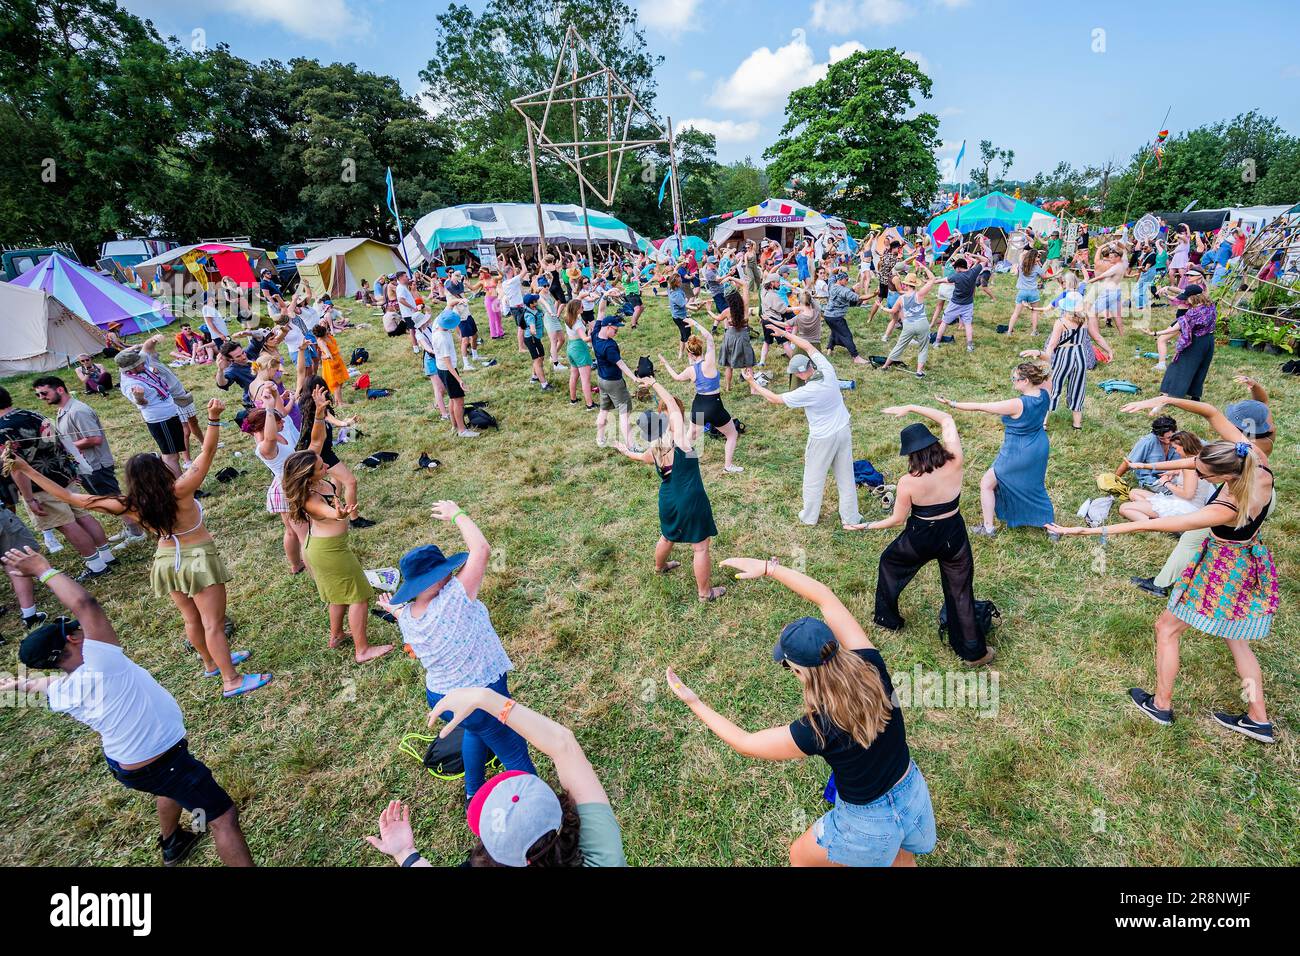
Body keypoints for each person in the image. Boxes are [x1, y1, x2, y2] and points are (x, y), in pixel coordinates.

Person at [667, 557, 936, 867]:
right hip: (912, 794)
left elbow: (746, 743)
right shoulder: (873, 666)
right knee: (902, 857)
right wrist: (769, 569)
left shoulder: (818, 729)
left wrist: (694, 702)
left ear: (799, 671)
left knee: (800, 856)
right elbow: (825, 597)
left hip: (867, 824)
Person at [0, 547, 255, 864]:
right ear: (75, 639)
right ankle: (202, 823)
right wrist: (42, 569)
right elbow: (86, 604)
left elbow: (44, 684)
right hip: (161, 760)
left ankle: (174, 841)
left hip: (129, 765)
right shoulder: (103, 663)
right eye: (76, 629)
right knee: (224, 818)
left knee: (172, 788)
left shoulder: (66, 689)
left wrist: (17, 684)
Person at [9, 399, 271, 697]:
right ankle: (231, 679)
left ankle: (211, 664)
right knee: (213, 623)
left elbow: (74, 499)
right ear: (161, 471)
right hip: (197, 559)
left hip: (165, 561)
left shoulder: (128, 504)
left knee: (191, 619)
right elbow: (207, 452)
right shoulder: (182, 489)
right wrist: (212, 419)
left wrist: (27, 470)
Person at [1048, 429, 1278, 745]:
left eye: (1203, 474)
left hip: (1221, 572)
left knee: (1167, 629)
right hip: (1248, 561)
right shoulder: (1257, 465)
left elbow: (1148, 523)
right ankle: (1258, 720)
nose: (1198, 474)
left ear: (1225, 474)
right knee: (1238, 641)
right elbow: (1209, 417)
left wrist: (1083, 531)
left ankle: (1161, 705)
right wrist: (1161, 410)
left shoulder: (1224, 508)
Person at [375, 502, 537, 799]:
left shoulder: (408, 614)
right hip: (481, 691)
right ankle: (538, 814)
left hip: (442, 696)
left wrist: (392, 607)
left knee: (475, 731)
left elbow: (400, 614)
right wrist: (458, 515)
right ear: (437, 578)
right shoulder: (453, 597)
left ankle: (472, 795)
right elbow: (482, 549)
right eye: (446, 572)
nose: (452, 575)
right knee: (514, 751)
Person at [367, 689, 626, 867]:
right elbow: (563, 745)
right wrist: (486, 698)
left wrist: (405, 853)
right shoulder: (604, 857)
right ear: (562, 811)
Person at [847, 406, 992, 665]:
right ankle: (974, 653)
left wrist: (865, 526)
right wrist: (912, 407)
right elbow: (947, 418)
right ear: (934, 445)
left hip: (920, 536)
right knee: (960, 592)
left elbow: (897, 520)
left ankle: (887, 620)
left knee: (890, 564)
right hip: (954, 535)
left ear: (911, 454)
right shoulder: (955, 460)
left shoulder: (908, 482)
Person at [1129, 388, 1274, 601]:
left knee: (1193, 538)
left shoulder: (1239, 463)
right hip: (1267, 496)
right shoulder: (1254, 448)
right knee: (1240, 536)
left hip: (1241, 500)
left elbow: (1211, 413)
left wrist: (1167, 399)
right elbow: (1211, 414)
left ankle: (1161, 584)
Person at [281, 413, 394, 664]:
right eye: (321, 467)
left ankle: (336, 636)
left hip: (322, 548)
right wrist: (339, 512)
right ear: (308, 475)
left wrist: (319, 415)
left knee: (336, 595)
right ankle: (362, 650)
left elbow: (317, 440)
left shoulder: (312, 468)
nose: (326, 467)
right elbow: (326, 512)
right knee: (359, 595)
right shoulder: (310, 497)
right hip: (329, 552)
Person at [613, 382, 726, 602]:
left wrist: (624, 449)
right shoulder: (682, 442)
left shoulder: (653, 448)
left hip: (667, 500)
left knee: (667, 536)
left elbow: (636, 456)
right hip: (690, 499)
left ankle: (660, 566)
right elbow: (673, 408)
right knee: (700, 547)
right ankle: (705, 593)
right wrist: (654, 383)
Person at [746, 332, 862, 529]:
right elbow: (808, 346)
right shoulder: (827, 368)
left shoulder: (808, 392)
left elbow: (775, 399)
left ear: (799, 373)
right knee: (846, 477)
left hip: (822, 438)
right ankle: (850, 518)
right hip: (843, 429)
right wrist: (784, 333)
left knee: (813, 479)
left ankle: (809, 517)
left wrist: (752, 382)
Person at [0, 387, 114, 582]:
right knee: (83, 516)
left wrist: (28, 497)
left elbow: (16, 468)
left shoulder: (2, 430)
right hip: (63, 475)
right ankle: (107, 556)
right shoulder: (31, 413)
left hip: (40, 484)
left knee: (65, 524)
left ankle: (96, 565)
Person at [940, 362, 1054, 536]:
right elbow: (1048, 367)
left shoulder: (1017, 404)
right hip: (1039, 446)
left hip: (1018, 451)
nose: (1013, 381)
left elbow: (982, 406)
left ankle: (988, 528)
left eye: (1015, 379)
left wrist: (952, 403)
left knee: (986, 484)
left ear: (1026, 381)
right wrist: (1040, 355)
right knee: (1035, 486)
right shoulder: (1045, 393)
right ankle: (1052, 528)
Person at [32, 376, 145, 545]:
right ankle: (130, 528)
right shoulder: (64, 410)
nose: (42, 397)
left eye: (44, 393)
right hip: (85, 465)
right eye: (38, 395)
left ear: (60, 389)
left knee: (113, 499)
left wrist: (63, 447)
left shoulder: (78, 411)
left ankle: (137, 533)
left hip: (96, 464)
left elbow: (94, 438)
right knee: (106, 499)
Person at [658, 319, 743, 474]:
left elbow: (676, 377)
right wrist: (695, 324)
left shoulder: (691, 370)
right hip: (714, 405)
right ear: (701, 350)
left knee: (690, 437)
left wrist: (665, 364)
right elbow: (710, 338)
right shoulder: (709, 363)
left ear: (689, 353)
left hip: (698, 404)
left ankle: (676, 464)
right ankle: (728, 466)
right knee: (732, 434)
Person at [245, 403, 307, 573]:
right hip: (286, 489)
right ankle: (304, 565)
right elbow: (269, 437)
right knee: (300, 532)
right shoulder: (266, 446)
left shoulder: (274, 438)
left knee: (294, 531)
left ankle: (297, 564)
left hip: (292, 484)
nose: (283, 424)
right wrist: (270, 409)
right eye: (278, 421)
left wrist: (272, 402)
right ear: (268, 426)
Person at [1039, 290, 1112, 429]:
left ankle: (1043, 422)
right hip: (1080, 356)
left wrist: (1046, 360)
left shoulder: (1061, 322)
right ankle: (1077, 424)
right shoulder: (1085, 321)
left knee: (1054, 386)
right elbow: (1097, 337)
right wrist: (1108, 350)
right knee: (1078, 388)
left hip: (1064, 356)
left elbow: (1052, 344)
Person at [115, 348, 188, 473]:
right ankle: (180, 487)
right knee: (171, 456)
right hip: (161, 420)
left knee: (174, 453)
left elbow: (143, 349)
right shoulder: (130, 384)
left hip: (170, 414)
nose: (144, 364)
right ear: (130, 368)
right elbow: (141, 403)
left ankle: (179, 484)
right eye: (140, 364)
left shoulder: (138, 370)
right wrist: (139, 397)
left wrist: (134, 347)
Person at [1118, 431, 1212, 521]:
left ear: (1184, 446)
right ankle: (1151, 512)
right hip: (1183, 503)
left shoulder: (1189, 468)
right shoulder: (1198, 459)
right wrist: (1176, 471)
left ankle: (1155, 523)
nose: (1175, 451)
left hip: (1184, 507)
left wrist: (1166, 483)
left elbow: (1188, 495)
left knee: (1124, 508)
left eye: (1176, 448)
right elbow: (1194, 477)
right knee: (1134, 492)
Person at [1157, 285, 1216, 401]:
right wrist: (1168, 294)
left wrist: (1155, 333)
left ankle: (1172, 393)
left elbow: (1176, 327)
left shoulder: (1193, 313)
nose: (1185, 300)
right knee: (1201, 367)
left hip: (1196, 341)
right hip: (1209, 341)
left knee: (1180, 365)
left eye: (1187, 298)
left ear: (1193, 298)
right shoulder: (1211, 306)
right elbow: (1178, 299)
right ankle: (1195, 395)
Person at [879, 271, 937, 378]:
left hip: (908, 325)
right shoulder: (919, 294)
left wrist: (882, 307)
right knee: (923, 347)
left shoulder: (901, 298)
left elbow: (892, 311)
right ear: (915, 285)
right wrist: (924, 268)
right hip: (922, 324)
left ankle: (885, 366)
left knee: (899, 346)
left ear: (905, 284)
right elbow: (932, 279)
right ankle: (919, 372)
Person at [592, 314, 636, 450]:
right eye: (615, 330)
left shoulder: (595, 334)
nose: (616, 333)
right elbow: (621, 364)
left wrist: (605, 296)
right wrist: (634, 378)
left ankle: (600, 438)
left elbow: (600, 311)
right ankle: (631, 446)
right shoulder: (609, 346)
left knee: (603, 410)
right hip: (615, 383)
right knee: (624, 414)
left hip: (601, 380)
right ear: (608, 327)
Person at [933, 253, 989, 353]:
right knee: (967, 324)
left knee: (944, 322)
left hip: (954, 304)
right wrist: (972, 255)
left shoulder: (956, 276)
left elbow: (942, 280)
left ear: (959, 267)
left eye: (955, 268)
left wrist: (932, 281)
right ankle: (970, 346)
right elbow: (985, 260)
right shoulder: (973, 272)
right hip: (968, 304)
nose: (955, 270)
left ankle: (936, 342)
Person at [1114, 415, 1179, 491]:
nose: (1167, 441)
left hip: (1174, 475)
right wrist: (1114, 480)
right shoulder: (1147, 442)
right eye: (1161, 438)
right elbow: (1128, 462)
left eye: (1169, 438)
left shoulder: (1180, 438)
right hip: (1153, 480)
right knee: (1177, 493)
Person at [712, 284, 756, 391]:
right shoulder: (745, 308)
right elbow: (745, 286)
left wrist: (709, 310)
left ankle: (728, 387)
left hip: (730, 336)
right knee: (748, 364)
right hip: (743, 336)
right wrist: (732, 279)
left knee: (728, 365)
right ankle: (753, 389)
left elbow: (717, 318)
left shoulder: (727, 311)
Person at [820, 271, 868, 365]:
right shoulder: (844, 290)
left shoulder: (831, 285)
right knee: (847, 336)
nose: (847, 281)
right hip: (836, 317)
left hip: (827, 315)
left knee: (835, 332)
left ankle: (829, 350)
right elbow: (859, 298)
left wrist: (836, 269)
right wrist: (874, 295)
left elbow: (831, 276)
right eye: (846, 280)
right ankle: (856, 357)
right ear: (841, 280)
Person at [1004, 247, 1046, 336]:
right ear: (1034, 258)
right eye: (1037, 257)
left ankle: (1009, 332)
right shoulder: (1037, 267)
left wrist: (1032, 253)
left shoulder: (1022, 264)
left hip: (1022, 292)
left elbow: (1022, 254)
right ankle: (1034, 332)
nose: (1038, 258)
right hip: (1033, 292)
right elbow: (1044, 276)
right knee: (1034, 312)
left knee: (1016, 313)